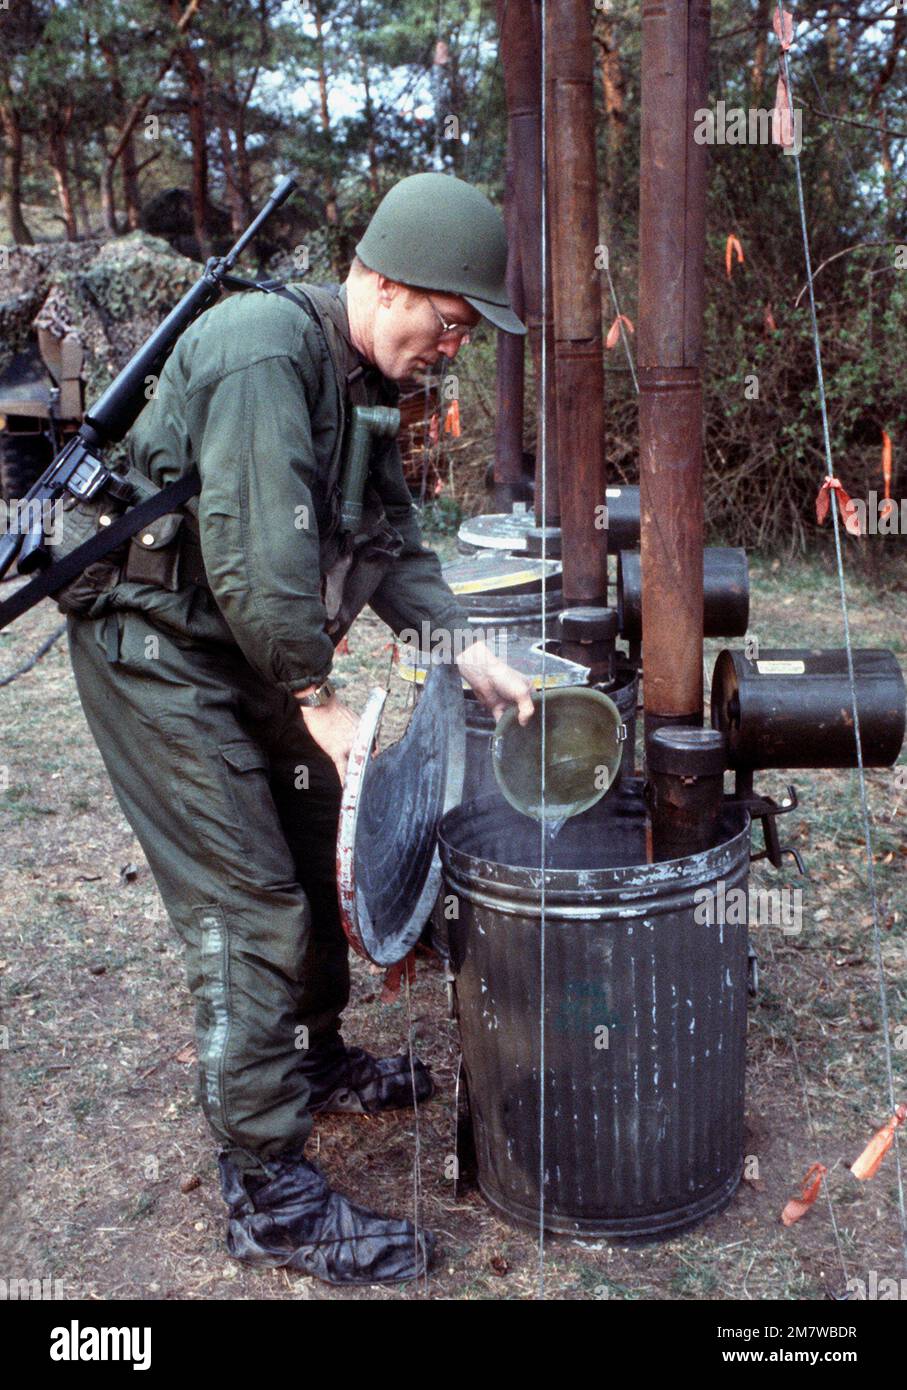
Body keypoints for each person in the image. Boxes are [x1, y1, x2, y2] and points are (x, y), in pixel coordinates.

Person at [64, 172, 534, 1286]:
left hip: (243, 648)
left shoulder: (362, 381)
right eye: (448, 321)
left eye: (465, 334)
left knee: (322, 837)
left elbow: (390, 542)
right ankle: (267, 1190)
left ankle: (312, 1059)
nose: (450, 349)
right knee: (248, 900)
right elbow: (253, 549)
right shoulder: (263, 350)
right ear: (385, 283)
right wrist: (316, 698)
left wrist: (459, 646)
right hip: (158, 654)